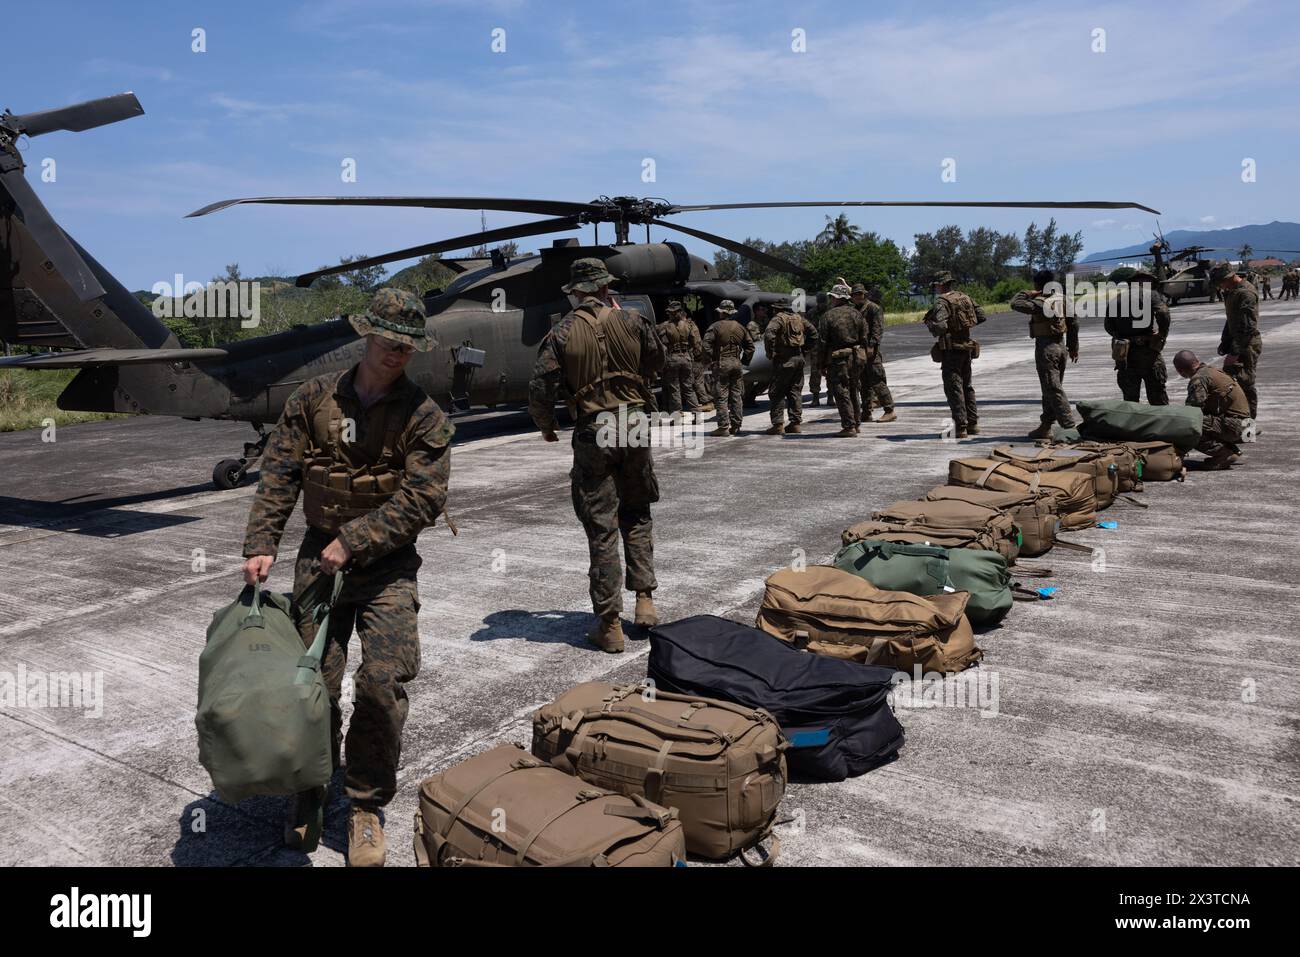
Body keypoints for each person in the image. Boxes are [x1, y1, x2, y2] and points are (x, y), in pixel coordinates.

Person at [241, 287, 453, 867]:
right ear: (367, 336)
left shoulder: (423, 414)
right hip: (317, 562)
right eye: (388, 344)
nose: (396, 355)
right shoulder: (312, 399)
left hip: (385, 569)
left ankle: (364, 807)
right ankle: (311, 790)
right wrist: (262, 544)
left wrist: (354, 540)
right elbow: (280, 474)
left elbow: (424, 498)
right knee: (314, 685)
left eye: (407, 348)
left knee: (382, 684)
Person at [528, 258, 665, 654]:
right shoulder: (635, 321)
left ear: (575, 293)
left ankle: (609, 625)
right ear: (606, 289)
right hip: (634, 423)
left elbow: (541, 388)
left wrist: (547, 425)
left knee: (601, 526)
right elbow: (657, 362)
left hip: (595, 429)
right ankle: (644, 602)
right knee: (637, 513)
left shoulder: (561, 332)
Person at [1011, 269, 1079, 439]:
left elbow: (1015, 303)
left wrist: (1028, 293)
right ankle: (1046, 426)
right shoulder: (1063, 300)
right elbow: (1074, 323)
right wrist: (1073, 347)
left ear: (1037, 285)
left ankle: (1070, 427)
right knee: (1049, 388)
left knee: (1052, 388)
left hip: (1047, 348)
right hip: (1061, 347)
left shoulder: (1042, 302)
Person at [923, 271, 985, 439]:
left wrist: (931, 325)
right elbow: (981, 316)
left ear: (940, 285)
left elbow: (941, 327)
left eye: (936, 285)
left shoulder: (941, 302)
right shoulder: (965, 297)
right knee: (967, 386)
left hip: (951, 351)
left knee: (954, 388)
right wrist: (963, 326)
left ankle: (961, 426)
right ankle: (973, 423)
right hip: (966, 347)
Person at [1173, 349, 1249, 469]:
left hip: (1237, 427)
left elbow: (1192, 412)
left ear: (1180, 371)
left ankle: (1224, 455)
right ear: (1196, 361)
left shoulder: (1199, 379)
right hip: (1245, 425)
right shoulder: (1212, 371)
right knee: (1201, 420)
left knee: (1187, 424)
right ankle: (1230, 451)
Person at [1104, 269, 1171, 404]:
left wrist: (1122, 336)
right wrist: (1161, 334)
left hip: (1125, 354)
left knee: (1130, 401)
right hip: (1148, 353)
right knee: (1158, 398)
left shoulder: (1115, 299)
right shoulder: (1151, 295)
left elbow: (1109, 327)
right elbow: (1163, 313)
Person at [1211, 261, 1262, 421]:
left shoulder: (1245, 293)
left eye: (1220, 282)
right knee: (1231, 382)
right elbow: (1231, 319)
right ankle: (1237, 420)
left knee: (1245, 383)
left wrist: (1235, 352)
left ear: (1230, 278)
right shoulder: (1231, 291)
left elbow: (1248, 327)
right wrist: (1225, 341)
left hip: (1246, 345)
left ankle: (1249, 424)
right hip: (1236, 341)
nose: (1220, 286)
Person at [762, 297, 819, 434]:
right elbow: (814, 333)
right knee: (795, 391)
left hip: (784, 359)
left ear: (777, 308)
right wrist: (805, 350)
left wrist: (771, 353)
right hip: (798, 359)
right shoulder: (799, 318)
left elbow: (769, 335)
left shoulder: (778, 319)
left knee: (777, 392)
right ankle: (795, 423)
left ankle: (777, 425)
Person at [817, 282, 867, 437]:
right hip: (856, 356)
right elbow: (865, 336)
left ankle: (849, 426)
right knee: (854, 390)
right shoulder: (857, 314)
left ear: (836, 298)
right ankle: (857, 423)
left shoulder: (828, 316)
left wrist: (821, 364)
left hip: (839, 359)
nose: (831, 299)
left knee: (841, 391)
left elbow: (823, 343)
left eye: (832, 297)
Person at [702, 299, 754, 436]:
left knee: (721, 396)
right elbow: (750, 347)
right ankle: (736, 426)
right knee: (737, 395)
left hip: (722, 364)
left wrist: (710, 360)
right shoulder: (740, 327)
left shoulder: (715, 327)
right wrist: (743, 361)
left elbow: (706, 345)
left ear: (721, 312)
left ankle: (723, 426)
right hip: (736, 363)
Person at [854, 283, 897, 423]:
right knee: (863, 383)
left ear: (864, 294)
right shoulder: (855, 309)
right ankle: (866, 412)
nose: (857, 297)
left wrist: (872, 345)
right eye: (855, 294)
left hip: (871, 350)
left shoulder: (873, 308)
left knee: (877, 381)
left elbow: (877, 329)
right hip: (860, 351)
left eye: (860, 294)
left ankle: (889, 410)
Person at [655, 300, 701, 417]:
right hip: (686, 358)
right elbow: (694, 342)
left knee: (674, 388)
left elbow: (662, 343)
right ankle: (696, 412)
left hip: (673, 358)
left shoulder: (665, 326)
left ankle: (677, 415)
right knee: (688, 387)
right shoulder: (688, 325)